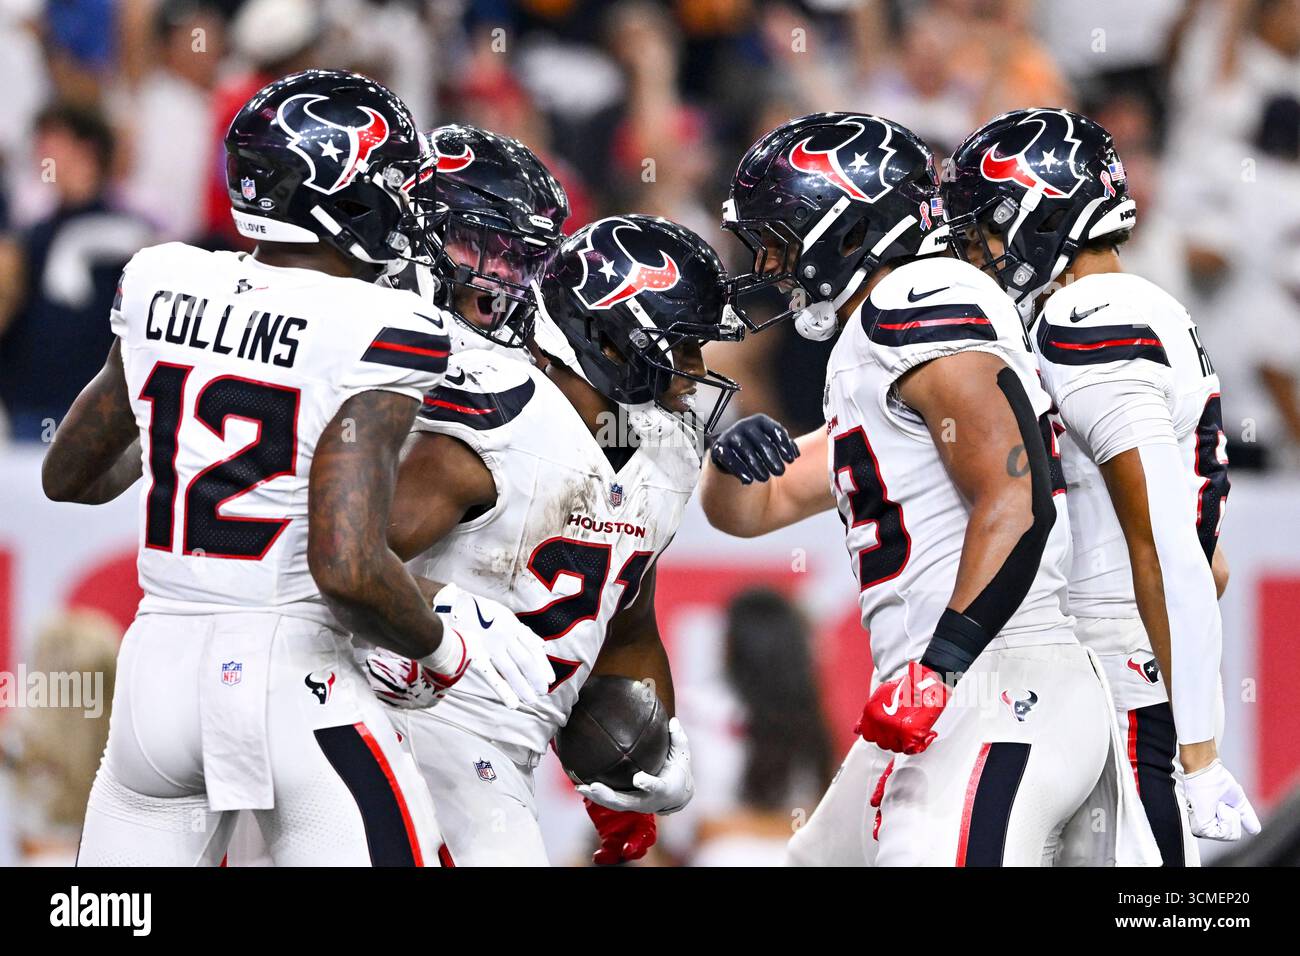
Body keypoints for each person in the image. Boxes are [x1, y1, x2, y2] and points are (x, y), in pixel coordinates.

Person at [41, 69, 549, 867]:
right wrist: (443, 648)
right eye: (397, 186)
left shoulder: (164, 279)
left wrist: (189, 416)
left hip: (153, 680)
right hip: (290, 677)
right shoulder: (384, 323)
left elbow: (68, 475)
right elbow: (345, 565)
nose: (410, 207)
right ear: (343, 197)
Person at [704, 111, 1155, 866]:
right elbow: (755, 509)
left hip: (997, 680)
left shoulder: (919, 296)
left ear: (847, 229)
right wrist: (731, 460)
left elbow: (1017, 501)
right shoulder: (875, 337)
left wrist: (939, 669)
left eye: (780, 239)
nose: (771, 264)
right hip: (945, 692)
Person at [364, 213, 744, 865]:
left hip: (506, 753)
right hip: (412, 733)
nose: (695, 371)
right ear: (609, 340)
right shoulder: (499, 421)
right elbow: (341, 561)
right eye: (680, 346)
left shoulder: (663, 451)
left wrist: (643, 752)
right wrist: (429, 618)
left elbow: (625, 625)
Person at [942, 107, 1261, 861]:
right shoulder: (1133, 306)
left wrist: (1201, 752)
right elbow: (1204, 560)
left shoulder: (1092, 317)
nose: (980, 250)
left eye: (989, 226)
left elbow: (1168, 547)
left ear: (1042, 213)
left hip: (1115, 680)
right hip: (1112, 671)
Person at [0, 104, 153, 439]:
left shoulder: (136, 237)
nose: (41, 152)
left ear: (88, 149)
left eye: (52, 140)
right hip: (29, 410)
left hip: (99, 417)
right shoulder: (30, 238)